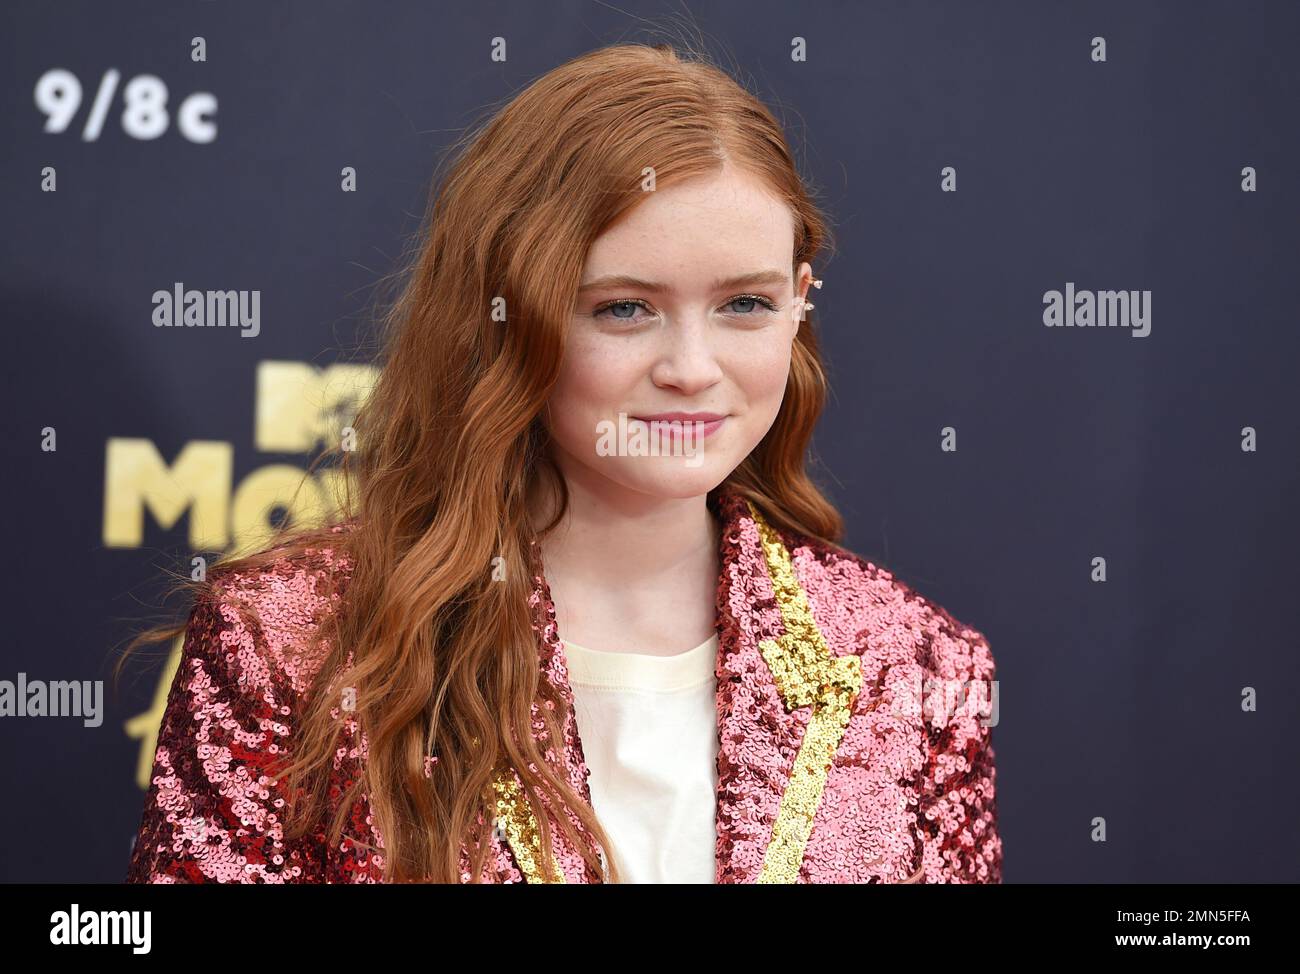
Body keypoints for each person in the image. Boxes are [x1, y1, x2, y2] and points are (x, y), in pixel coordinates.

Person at [124, 41, 1002, 885]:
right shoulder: (294, 642)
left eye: (745, 303)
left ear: (800, 303)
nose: (692, 369)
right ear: (506, 315)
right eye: (625, 309)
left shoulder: (915, 664)